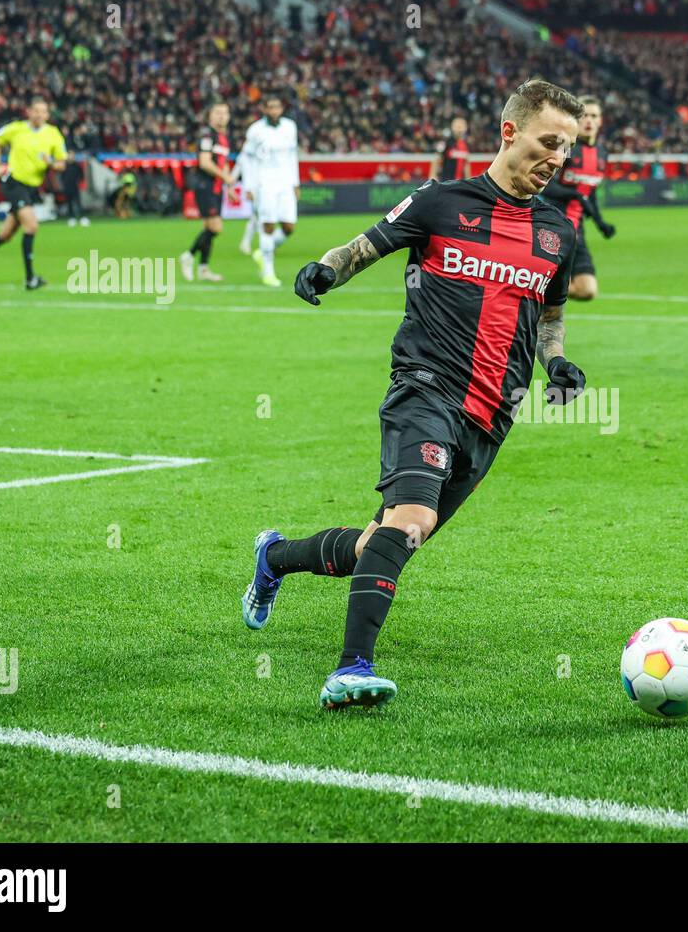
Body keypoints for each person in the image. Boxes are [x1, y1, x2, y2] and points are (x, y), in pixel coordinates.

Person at [240, 80, 588, 709]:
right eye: (547, 143)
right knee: (411, 518)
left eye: (567, 148)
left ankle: (276, 558)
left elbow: (552, 316)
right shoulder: (441, 203)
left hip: (494, 413)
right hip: (424, 387)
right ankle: (351, 668)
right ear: (510, 131)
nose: (557, 159)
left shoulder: (556, 233)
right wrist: (326, 270)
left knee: (388, 540)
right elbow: (365, 246)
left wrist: (559, 364)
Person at [0, 97, 67, 289]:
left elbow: (62, 163)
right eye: (35, 110)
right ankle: (30, 279)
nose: (39, 114)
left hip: (31, 188)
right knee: (31, 226)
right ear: (28, 112)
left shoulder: (53, 134)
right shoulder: (17, 128)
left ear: (47, 114)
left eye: (43, 111)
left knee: (6, 234)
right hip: (14, 183)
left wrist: (51, 163)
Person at [541, 95, 614, 301]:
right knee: (552, 307)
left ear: (600, 120)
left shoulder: (602, 153)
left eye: (594, 116)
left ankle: (532, 291)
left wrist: (601, 224)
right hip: (553, 226)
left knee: (587, 289)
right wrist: (575, 195)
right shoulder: (564, 147)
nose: (589, 120)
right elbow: (546, 186)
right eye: (584, 116)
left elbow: (589, 194)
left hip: (577, 231)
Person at [239, 95, 301, 287]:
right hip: (264, 183)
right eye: (271, 107)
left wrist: (295, 183)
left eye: (277, 107)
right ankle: (268, 271)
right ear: (264, 109)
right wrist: (249, 186)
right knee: (268, 225)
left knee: (289, 226)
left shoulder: (290, 126)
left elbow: (293, 156)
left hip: (285, 183)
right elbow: (246, 159)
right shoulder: (255, 130)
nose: (274, 111)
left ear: (281, 109)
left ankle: (263, 251)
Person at [179, 103, 236, 283]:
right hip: (205, 186)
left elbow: (223, 163)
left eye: (224, 113)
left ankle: (203, 268)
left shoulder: (224, 138)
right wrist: (225, 178)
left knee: (208, 228)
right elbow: (204, 162)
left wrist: (229, 187)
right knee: (215, 227)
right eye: (217, 113)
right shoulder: (207, 136)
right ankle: (188, 255)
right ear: (210, 116)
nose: (221, 116)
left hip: (217, 188)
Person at [431, 117, 469, 181]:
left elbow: (466, 164)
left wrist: (468, 179)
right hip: (447, 182)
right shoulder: (445, 142)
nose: (459, 129)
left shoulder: (466, 145)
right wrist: (432, 176)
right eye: (457, 126)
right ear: (452, 127)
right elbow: (436, 159)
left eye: (461, 126)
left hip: (461, 182)